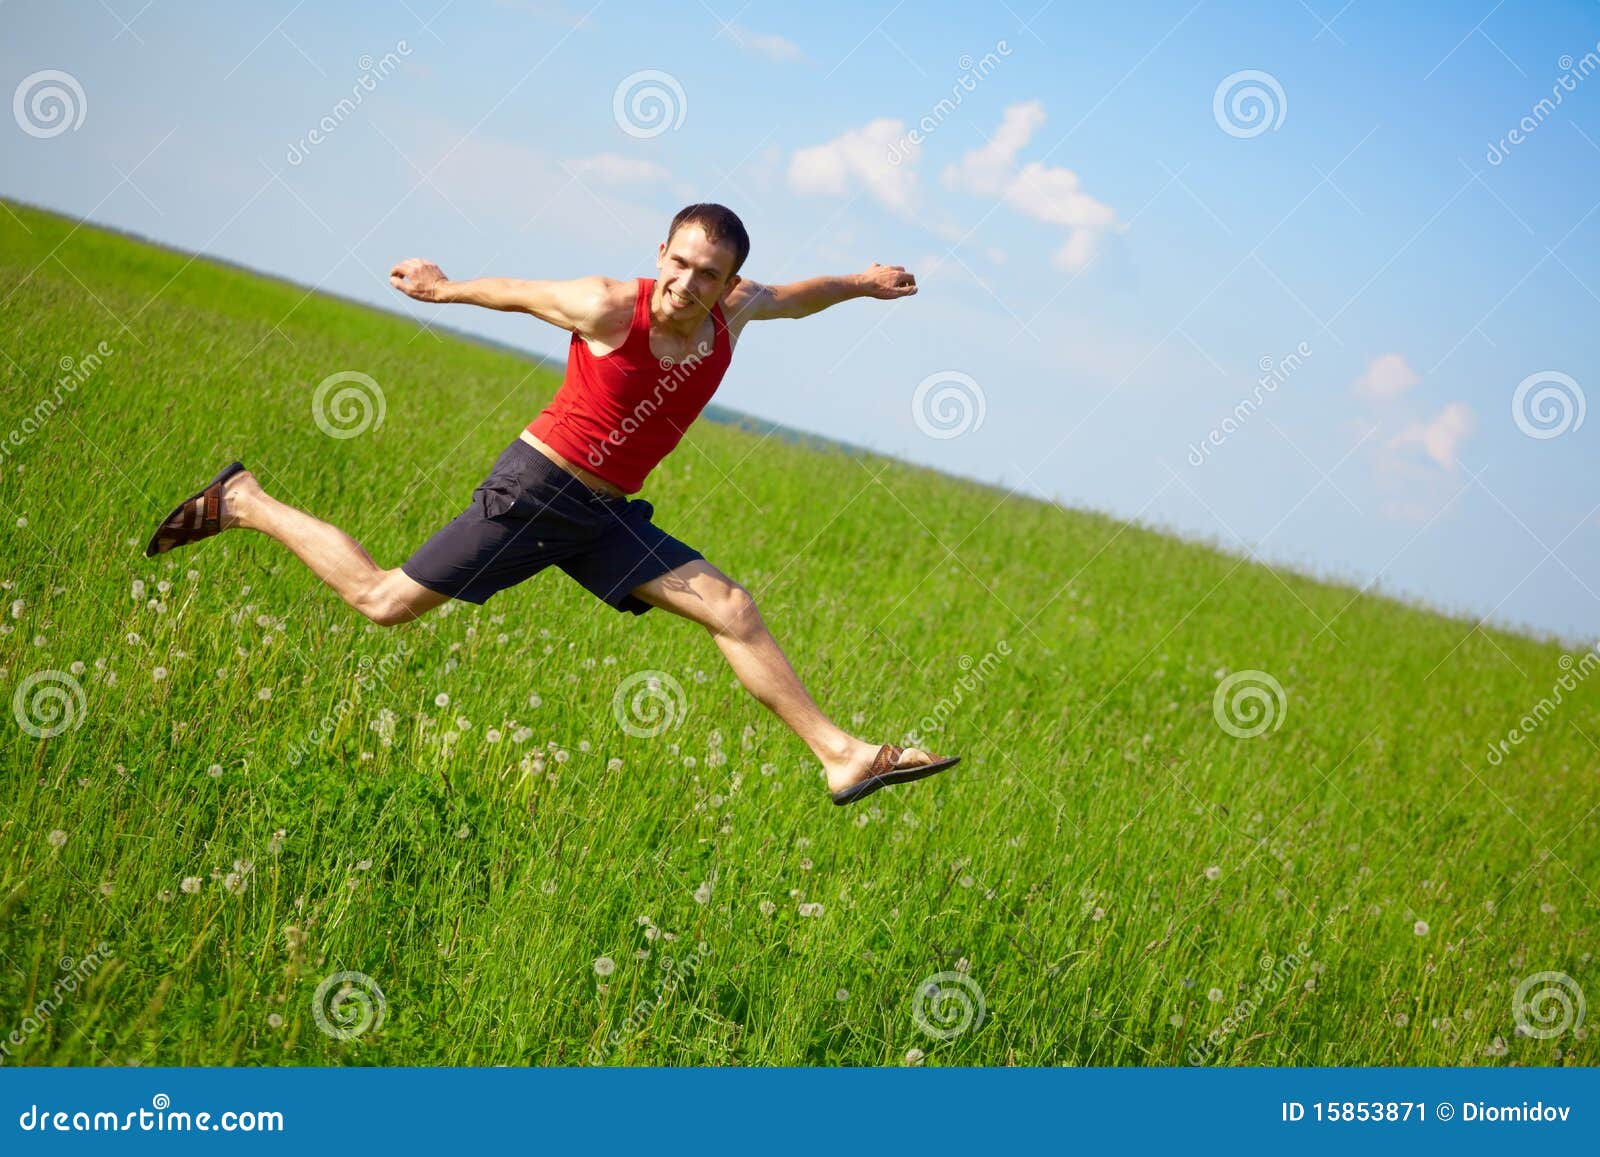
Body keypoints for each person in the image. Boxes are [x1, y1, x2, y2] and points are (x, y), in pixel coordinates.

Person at [143, 203, 958, 806]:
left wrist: (861, 282)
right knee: (383, 600)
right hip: (537, 493)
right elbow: (517, 292)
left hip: (605, 517)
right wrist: (442, 288)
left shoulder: (732, 314)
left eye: (707, 273)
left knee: (733, 608)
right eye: (678, 262)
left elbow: (794, 296)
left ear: (725, 281)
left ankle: (843, 756)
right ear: (660, 252)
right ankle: (244, 500)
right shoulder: (607, 303)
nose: (686, 282)